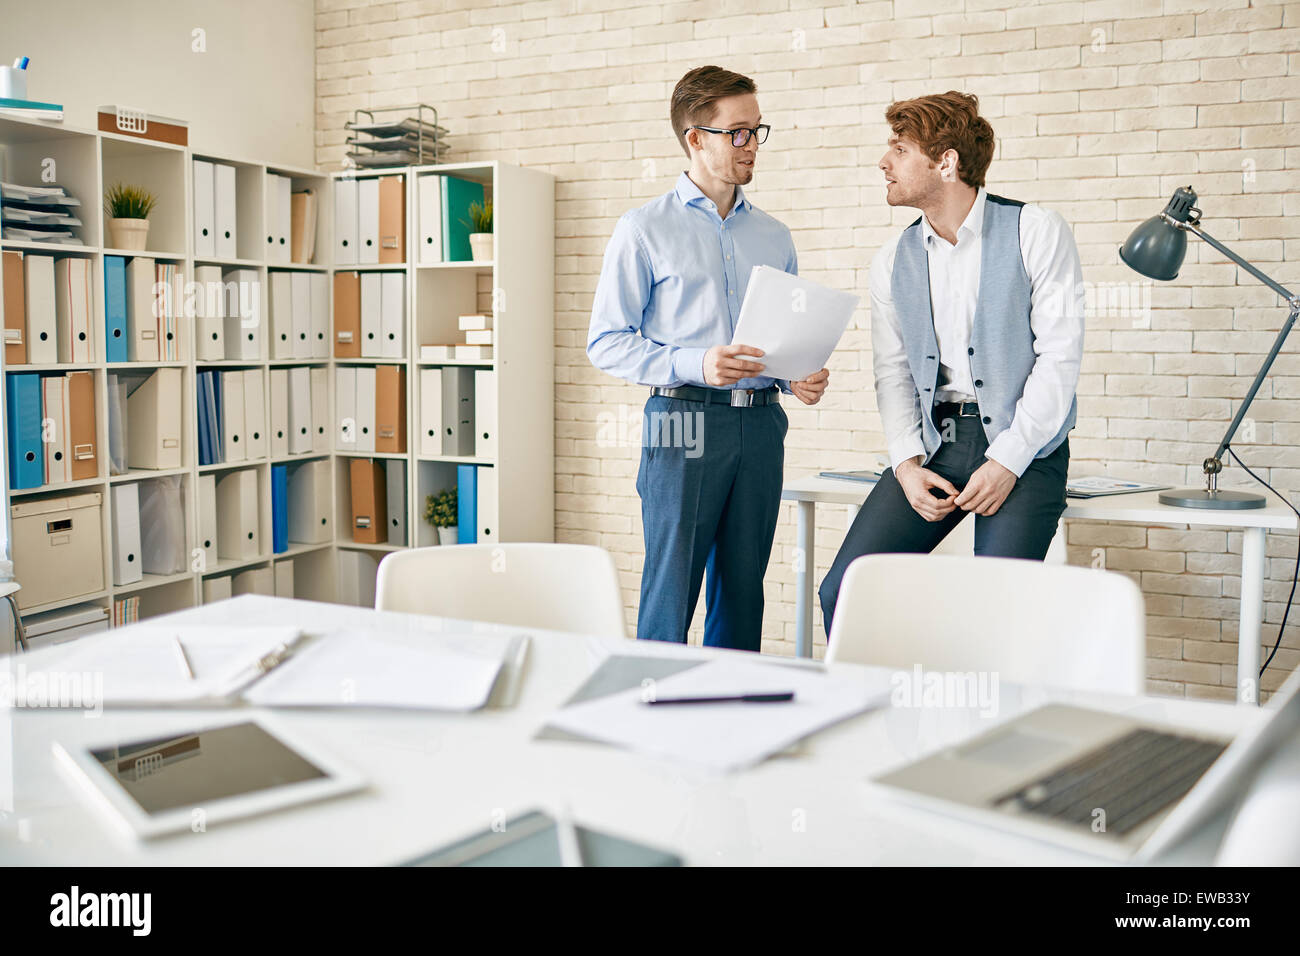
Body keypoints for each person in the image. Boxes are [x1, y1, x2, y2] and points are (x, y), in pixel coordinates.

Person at [819, 91, 1085, 634]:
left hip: (1025, 449)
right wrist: (906, 464)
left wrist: (1008, 459)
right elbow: (892, 371)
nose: (883, 162)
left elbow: (1059, 360)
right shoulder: (892, 259)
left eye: (899, 148)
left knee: (993, 616)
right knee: (846, 591)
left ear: (947, 162)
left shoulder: (1037, 230)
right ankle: (891, 715)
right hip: (936, 445)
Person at [588, 65, 829, 651]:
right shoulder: (643, 229)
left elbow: (776, 339)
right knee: (672, 585)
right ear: (696, 138)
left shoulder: (773, 236)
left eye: (756, 130)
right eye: (738, 131)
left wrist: (797, 374)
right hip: (682, 421)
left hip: (761, 422)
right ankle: (648, 709)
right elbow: (606, 340)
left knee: (744, 588)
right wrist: (698, 364)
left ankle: (731, 721)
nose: (752, 144)